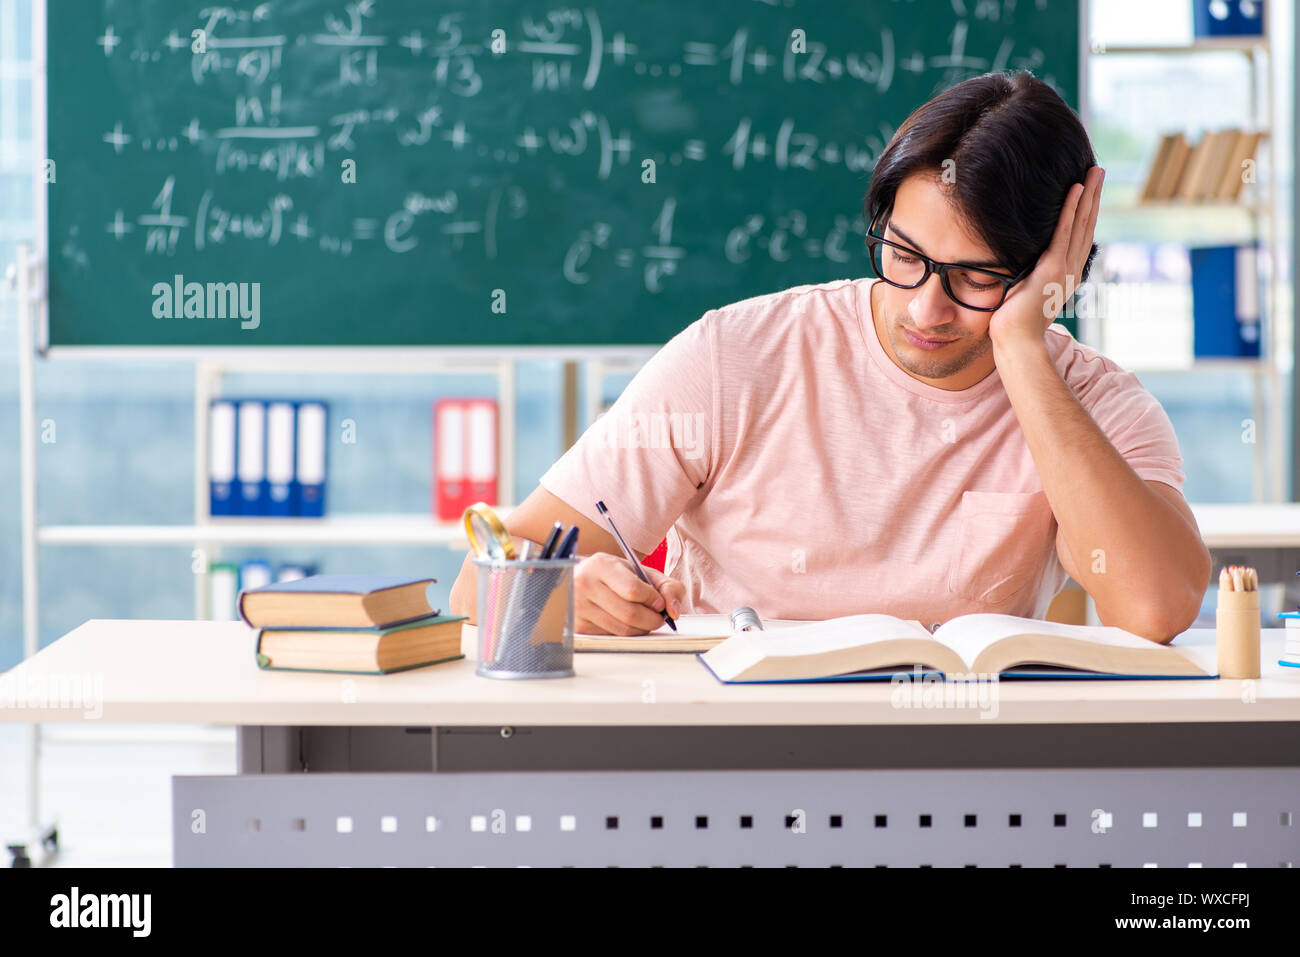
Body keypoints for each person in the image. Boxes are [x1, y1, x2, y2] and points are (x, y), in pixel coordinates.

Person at [449, 70, 1212, 642]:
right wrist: (561, 592)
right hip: (719, 750)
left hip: (953, 765)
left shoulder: (1089, 400)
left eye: (977, 278)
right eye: (905, 254)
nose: (926, 307)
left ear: (1054, 268)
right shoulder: (735, 355)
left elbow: (1152, 607)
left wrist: (1023, 347)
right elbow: (471, 587)